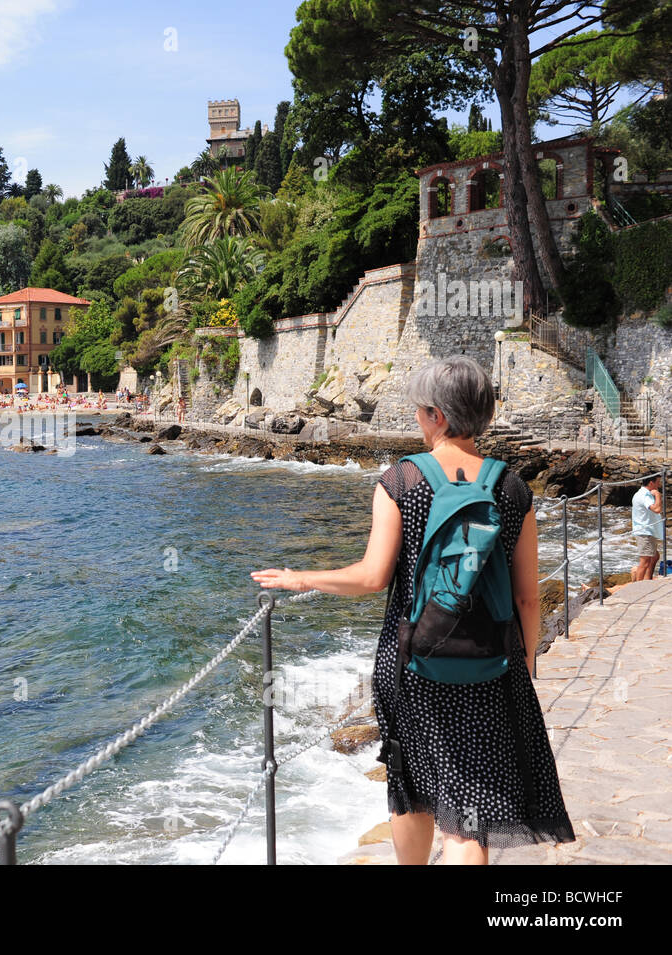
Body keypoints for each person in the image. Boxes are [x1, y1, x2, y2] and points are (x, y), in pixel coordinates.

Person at [251, 356, 574, 865]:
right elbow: (528, 598)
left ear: (438, 416)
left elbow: (372, 576)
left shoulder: (402, 481)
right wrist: (524, 663)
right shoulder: (512, 488)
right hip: (492, 665)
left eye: (420, 411)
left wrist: (301, 577)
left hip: (412, 663)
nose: (416, 420)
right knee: (470, 811)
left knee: (410, 785)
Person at [631, 474, 664, 581]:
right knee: (645, 561)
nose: (659, 484)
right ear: (651, 483)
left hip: (647, 531)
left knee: (654, 557)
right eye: (658, 482)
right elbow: (657, 509)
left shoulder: (642, 494)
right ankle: (639, 585)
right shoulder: (644, 496)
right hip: (645, 531)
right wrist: (658, 495)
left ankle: (647, 579)